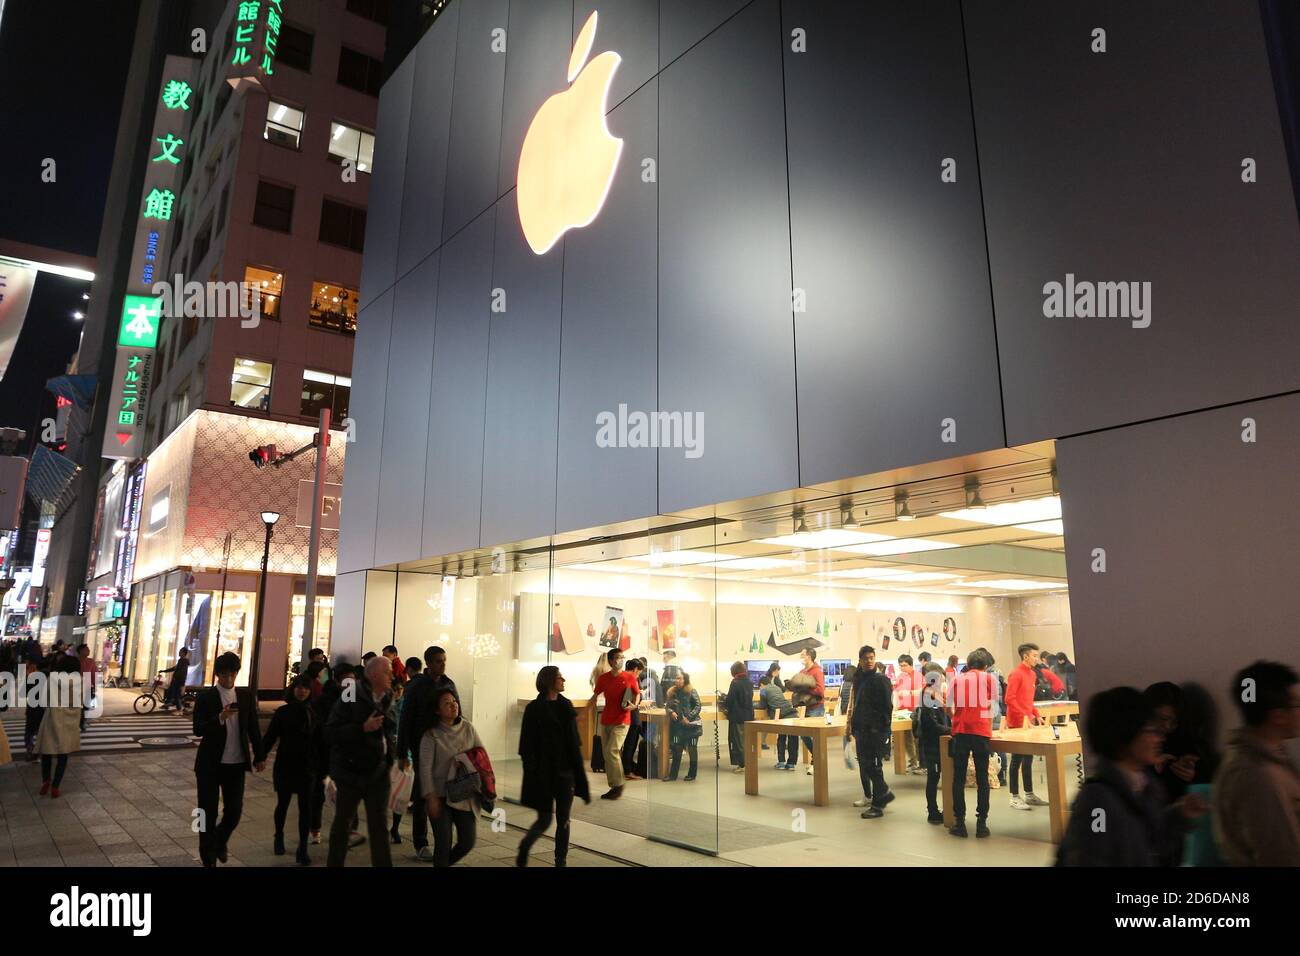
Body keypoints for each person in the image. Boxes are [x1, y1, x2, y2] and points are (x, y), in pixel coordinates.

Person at [1057, 686, 1205, 866]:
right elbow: (1088, 857)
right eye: (1150, 730)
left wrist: (1181, 814)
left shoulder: (1144, 784)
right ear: (1125, 735)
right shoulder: (1097, 801)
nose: (1159, 738)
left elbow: (1154, 841)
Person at [1212, 660, 1300, 866]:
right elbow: (1278, 854)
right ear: (1278, 716)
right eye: (1297, 704)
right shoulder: (1254, 773)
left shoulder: (1273, 757)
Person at [192, 652, 265, 867]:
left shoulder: (245, 697)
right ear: (217, 675)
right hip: (209, 765)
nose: (228, 679)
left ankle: (218, 840)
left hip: (236, 764)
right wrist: (219, 719)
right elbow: (198, 729)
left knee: (234, 812)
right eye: (224, 674)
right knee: (207, 812)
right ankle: (208, 858)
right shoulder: (206, 698)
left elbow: (253, 728)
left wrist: (260, 755)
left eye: (232, 674)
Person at [325, 655, 396, 867]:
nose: (393, 675)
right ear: (373, 674)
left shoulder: (388, 695)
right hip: (351, 772)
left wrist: (390, 757)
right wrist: (362, 729)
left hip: (378, 773)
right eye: (388, 671)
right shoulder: (350, 693)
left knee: (379, 827)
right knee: (343, 825)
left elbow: (389, 729)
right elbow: (330, 732)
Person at [517, 666, 591, 866]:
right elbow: (526, 746)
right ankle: (525, 846)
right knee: (544, 819)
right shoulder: (534, 709)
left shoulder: (566, 706)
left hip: (564, 772)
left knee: (564, 818)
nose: (563, 680)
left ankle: (561, 859)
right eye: (560, 677)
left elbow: (574, 744)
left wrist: (579, 775)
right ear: (550, 681)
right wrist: (532, 771)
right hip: (543, 772)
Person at [397, 645, 457, 861]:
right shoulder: (416, 686)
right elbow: (406, 719)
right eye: (439, 661)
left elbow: (457, 712)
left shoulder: (448, 684)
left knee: (442, 792)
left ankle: (443, 839)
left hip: (446, 745)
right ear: (429, 663)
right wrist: (402, 752)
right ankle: (421, 842)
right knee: (424, 794)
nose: (443, 664)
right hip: (422, 744)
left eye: (444, 660)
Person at [420, 686, 485, 867]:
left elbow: (481, 756)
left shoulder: (468, 727)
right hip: (439, 795)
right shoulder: (431, 734)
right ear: (437, 710)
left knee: (467, 841)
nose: (453, 705)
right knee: (443, 843)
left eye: (454, 701)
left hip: (464, 793)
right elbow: (425, 768)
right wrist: (430, 796)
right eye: (446, 703)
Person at [259, 676, 318, 865]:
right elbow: (270, 737)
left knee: (305, 808)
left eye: (306, 688)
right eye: (299, 687)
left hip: (307, 766)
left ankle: (303, 847)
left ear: (310, 691)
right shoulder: (283, 712)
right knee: (282, 804)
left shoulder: (314, 712)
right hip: (285, 764)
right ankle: (279, 836)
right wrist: (260, 756)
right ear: (293, 689)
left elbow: (322, 741)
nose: (302, 691)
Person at [946, 648, 998, 838]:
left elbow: (947, 705)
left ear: (968, 664)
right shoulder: (989, 679)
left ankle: (960, 823)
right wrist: (988, 728)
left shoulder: (957, 680)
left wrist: (956, 718)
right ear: (985, 666)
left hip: (960, 732)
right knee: (982, 779)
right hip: (981, 732)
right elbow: (992, 708)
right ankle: (981, 824)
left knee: (958, 779)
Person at [845, 645, 894, 818]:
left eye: (872, 657)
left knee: (873, 766)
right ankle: (883, 795)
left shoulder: (881, 680)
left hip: (875, 731)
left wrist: (882, 729)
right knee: (866, 765)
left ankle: (878, 803)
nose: (869, 660)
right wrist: (852, 727)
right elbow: (855, 705)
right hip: (861, 729)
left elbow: (887, 707)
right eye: (865, 658)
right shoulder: (859, 679)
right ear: (860, 661)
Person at [1005, 643, 1051, 811]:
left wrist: (1036, 714)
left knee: (1028, 759)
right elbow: (1009, 699)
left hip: (1028, 722)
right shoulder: (1015, 674)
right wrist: (1024, 715)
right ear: (1025, 656)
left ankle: (1029, 794)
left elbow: (1028, 701)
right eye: (1034, 656)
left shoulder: (1032, 675)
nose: (1036, 659)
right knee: (1016, 759)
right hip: (1017, 723)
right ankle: (1014, 797)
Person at [590, 648, 639, 799]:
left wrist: (634, 705)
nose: (621, 660)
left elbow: (637, 694)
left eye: (622, 657)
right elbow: (595, 695)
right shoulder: (604, 678)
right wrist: (587, 709)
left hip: (622, 720)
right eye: (618, 657)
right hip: (606, 720)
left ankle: (618, 785)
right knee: (607, 754)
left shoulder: (629, 677)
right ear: (611, 660)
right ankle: (614, 786)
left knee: (612, 750)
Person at [35, 654, 85, 798]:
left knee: (47, 751)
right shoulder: (79, 681)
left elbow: (45, 699)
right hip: (70, 716)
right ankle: (56, 786)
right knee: (63, 754)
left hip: (53, 715)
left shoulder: (53, 678)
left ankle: (46, 780)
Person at [914, 663, 952, 824]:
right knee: (933, 777)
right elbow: (931, 725)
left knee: (939, 777)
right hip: (931, 745)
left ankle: (946, 810)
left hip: (941, 743)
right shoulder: (926, 696)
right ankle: (932, 811)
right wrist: (951, 729)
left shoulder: (937, 694)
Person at [788, 648, 825, 776]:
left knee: (815, 736)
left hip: (816, 707)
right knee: (803, 733)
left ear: (809, 656)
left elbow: (820, 691)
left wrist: (806, 688)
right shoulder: (802, 672)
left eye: (802, 654)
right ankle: (817, 757)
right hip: (804, 707)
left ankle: (816, 763)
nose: (801, 656)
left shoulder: (817, 671)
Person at [665, 671, 703, 781]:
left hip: (692, 727)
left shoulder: (692, 691)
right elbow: (667, 706)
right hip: (678, 727)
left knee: (692, 750)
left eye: (680, 678)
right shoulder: (672, 692)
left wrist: (689, 718)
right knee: (676, 750)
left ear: (685, 680)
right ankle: (672, 775)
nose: (677, 680)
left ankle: (692, 774)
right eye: (676, 678)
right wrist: (671, 711)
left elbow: (697, 706)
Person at [892, 654, 924, 773]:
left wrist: (910, 693)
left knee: (916, 738)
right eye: (900, 666)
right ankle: (912, 761)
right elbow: (895, 692)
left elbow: (923, 691)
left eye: (905, 665)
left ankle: (921, 763)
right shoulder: (900, 676)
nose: (902, 668)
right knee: (906, 738)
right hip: (902, 711)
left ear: (911, 665)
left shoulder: (918, 676)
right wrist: (895, 708)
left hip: (915, 711)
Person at [759, 673, 798, 769]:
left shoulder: (763, 690)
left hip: (781, 716)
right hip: (792, 713)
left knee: (781, 738)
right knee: (793, 739)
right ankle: (791, 764)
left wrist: (753, 705)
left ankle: (781, 762)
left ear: (761, 684)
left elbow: (762, 706)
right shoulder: (777, 688)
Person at [725, 661, 755, 772]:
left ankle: (742, 765)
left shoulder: (735, 682)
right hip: (749, 716)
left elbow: (730, 700)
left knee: (739, 742)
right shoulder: (749, 682)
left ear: (734, 671)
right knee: (747, 741)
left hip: (737, 717)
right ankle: (749, 763)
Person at [620, 658, 648, 780]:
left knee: (627, 744)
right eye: (640, 671)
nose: (640, 674)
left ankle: (625, 769)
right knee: (630, 744)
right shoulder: (631, 678)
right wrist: (637, 700)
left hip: (625, 715)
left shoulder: (620, 676)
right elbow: (633, 696)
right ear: (636, 669)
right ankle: (627, 771)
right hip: (632, 715)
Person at [388, 679, 408, 843]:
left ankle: (395, 827)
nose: (398, 691)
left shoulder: (406, 705)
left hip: (403, 753)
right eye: (395, 689)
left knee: (401, 794)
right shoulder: (386, 703)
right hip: (387, 752)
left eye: (400, 689)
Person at [161, 647, 190, 712]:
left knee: (176, 695)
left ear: (183, 653)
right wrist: (164, 671)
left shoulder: (184, 661)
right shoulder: (181, 660)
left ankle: (179, 708)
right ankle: (170, 705)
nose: (179, 652)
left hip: (179, 681)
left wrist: (177, 678)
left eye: (180, 651)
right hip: (176, 680)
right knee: (171, 692)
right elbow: (174, 668)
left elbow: (182, 672)